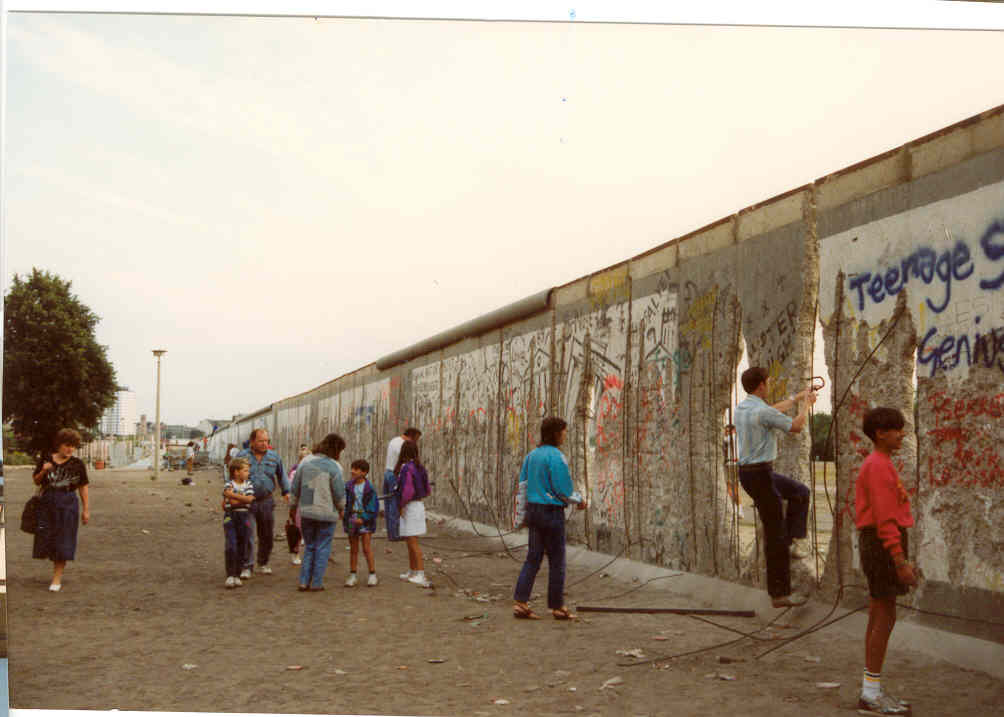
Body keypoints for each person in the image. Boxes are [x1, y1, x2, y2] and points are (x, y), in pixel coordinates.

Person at [734, 366, 815, 608]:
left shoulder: (744, 407)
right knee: (774, 534)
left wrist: (796, 398)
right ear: (761, 385)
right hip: (760, 475)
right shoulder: (761, 411)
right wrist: (806, 405)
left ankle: (793, 538)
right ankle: (779, 594)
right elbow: (796, 427)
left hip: (751, 474)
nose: (768, 386)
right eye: (768, 383)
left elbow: (771, 412)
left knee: (800, 492)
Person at [855, 407, 917, 715]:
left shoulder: (881, 463)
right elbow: (884, 520)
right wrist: (900, 560)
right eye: (898, 429)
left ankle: (871, 689)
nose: (903, 434)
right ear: (881, 433)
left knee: (879, 613)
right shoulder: (878, 465)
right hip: (881, 545)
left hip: (879, 543)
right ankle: (871, 693)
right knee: (884, 616)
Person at [512, 417, 587, 620]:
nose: (565, 435)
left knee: (533, 558)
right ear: (555, 433)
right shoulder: (557, 457)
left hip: (534, 511)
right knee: (557, 560)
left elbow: (523, 486)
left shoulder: (531, 456)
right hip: (552, 512)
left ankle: (520, 602)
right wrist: (578, 500)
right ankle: (556, 606)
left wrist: (521, 515)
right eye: (563, 432)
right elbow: (563, 489)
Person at [31, 428, 91, 592]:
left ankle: (56, 578)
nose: (70, 449)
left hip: (68, 504)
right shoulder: (46, 459)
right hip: (47, 503)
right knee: (47, 539)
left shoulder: (77, 464)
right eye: (67, 445)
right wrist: (44, 470)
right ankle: (54, 570)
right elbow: (36, 481)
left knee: (64, 541)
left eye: (73, 446)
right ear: (59, 444)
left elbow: (83, 487)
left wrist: (86, 509)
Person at [290, 433, 347, 591]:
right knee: (323, 547)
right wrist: (342, 508)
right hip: (327, 512)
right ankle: (316, 582)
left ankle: (303, 581)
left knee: (309, 546)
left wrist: (293, 507)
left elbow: (295, 487)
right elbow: (339, 493)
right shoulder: (335, 466)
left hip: (307, 510)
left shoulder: (306, 462)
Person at [236, 428, 289, 578]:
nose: (264, 444)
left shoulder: (274, 458)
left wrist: (286, 492)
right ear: (252, 441)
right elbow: (232, 475)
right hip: (247, 502)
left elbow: (282, 476)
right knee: (248, 533)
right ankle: (247, 566)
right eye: (261, 441)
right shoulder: (242, 456)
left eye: (267, 441)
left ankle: (263, 562)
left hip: (266, 502)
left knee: (266, 535)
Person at [394, 440, 431, 587]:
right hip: (418, 504)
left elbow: (407, 491)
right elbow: (427, 489)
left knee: (413, 542)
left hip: (410, 506)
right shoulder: (420, 467)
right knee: (409, 540)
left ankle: (420, 573)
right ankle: (412, 570)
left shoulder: (406, 468)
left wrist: (401, 504)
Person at [343, 459, 379, 587]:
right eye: (352, 468)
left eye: (356, 469)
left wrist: (363, 518)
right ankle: (352, 575)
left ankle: (372, 574)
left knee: (366, 548)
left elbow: (373, 506)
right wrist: (344, 514)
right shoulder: (348, 486)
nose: (352, 471)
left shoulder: (369, 489)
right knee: (353, 549)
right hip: (352, 520)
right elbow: (344, 502)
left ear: (364, 472)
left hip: (366, 522)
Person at [383, 427, 421, 542]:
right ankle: (395, 534)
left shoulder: (394, 440)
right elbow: (405, 462)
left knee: (389, 504)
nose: (416, 442)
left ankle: (391, 532)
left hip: (388, 472)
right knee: (395, 505)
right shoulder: (403, 445)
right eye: (416, 439)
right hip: (396, 475)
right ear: (412, 436)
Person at [222, 457, 255, 588]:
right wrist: (244, 499)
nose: (248, 473)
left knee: (243, 544)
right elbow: (238, 500)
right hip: (230, 517)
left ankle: (237, 573)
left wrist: (233, 496)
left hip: (244, 517)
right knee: (231, 544)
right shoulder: (228, 484)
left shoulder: (248, 484)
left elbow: (250, 499)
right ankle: (230, 574)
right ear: (236, 472)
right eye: (245, 470)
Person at [287, 444, 311, 565]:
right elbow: (292, 489)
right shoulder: (294, 473)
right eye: (303, 459)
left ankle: (309, 554)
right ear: (300, 460)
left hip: (310, 505)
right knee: (298, 529)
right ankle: (295, 552)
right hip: (299, 505)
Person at [723, 423, 744, 519]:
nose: (727, 433)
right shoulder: (737, 437)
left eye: (728, 431)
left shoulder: (733, 437)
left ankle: (737, 510)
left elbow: (723, 439)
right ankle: (738, 509)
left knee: (731, 488)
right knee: (733, 488)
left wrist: (723, 433)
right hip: (732, 464)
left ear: (733, 430)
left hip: (732, 464)